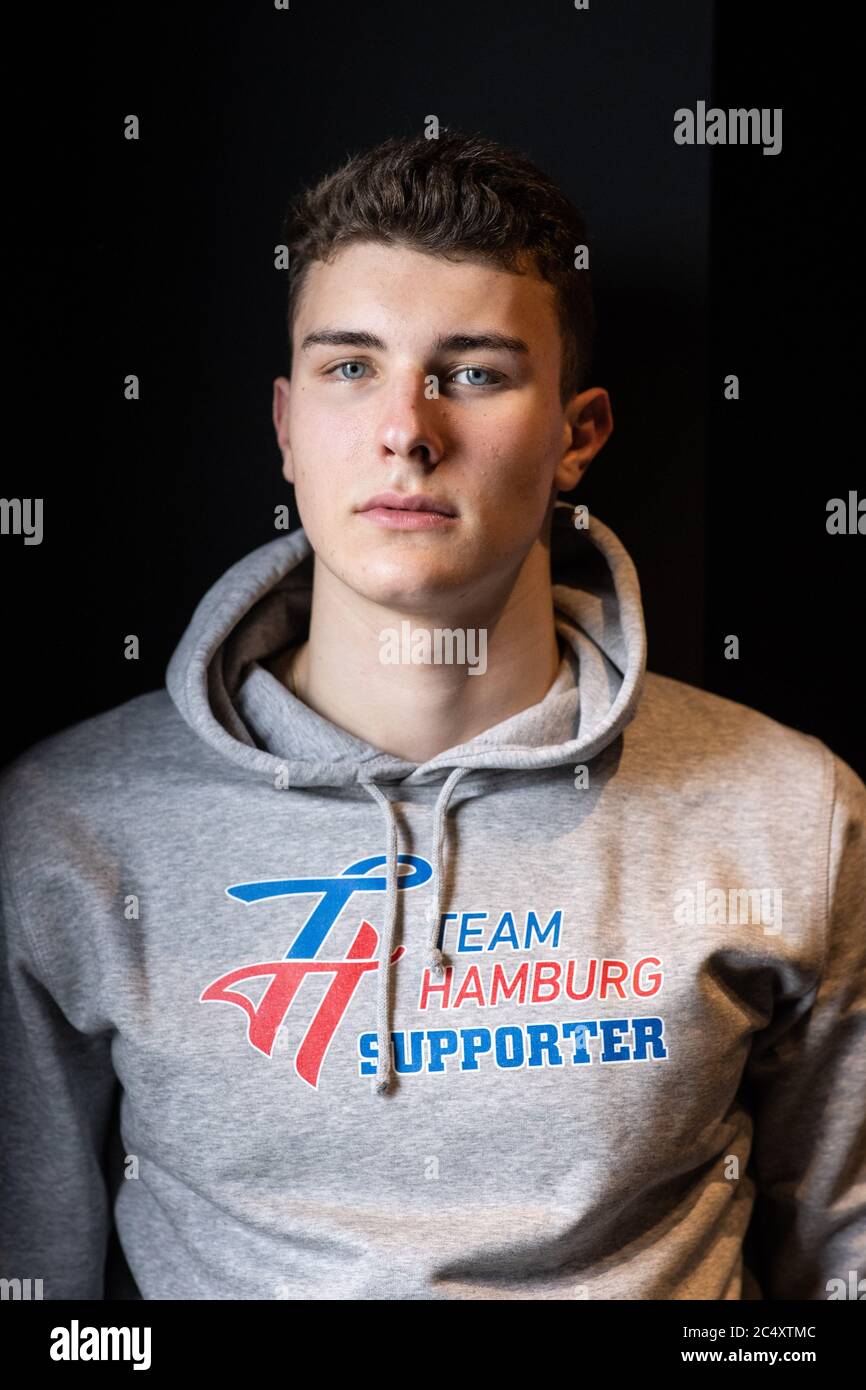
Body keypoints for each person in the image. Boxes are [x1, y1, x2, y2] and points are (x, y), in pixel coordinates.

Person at [1, 130, 863, 1302]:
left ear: (576, 435)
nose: (406, 429)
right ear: (285, 425)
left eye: (473, 371)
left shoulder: (788, 810)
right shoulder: (66, 827)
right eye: (348, 367)